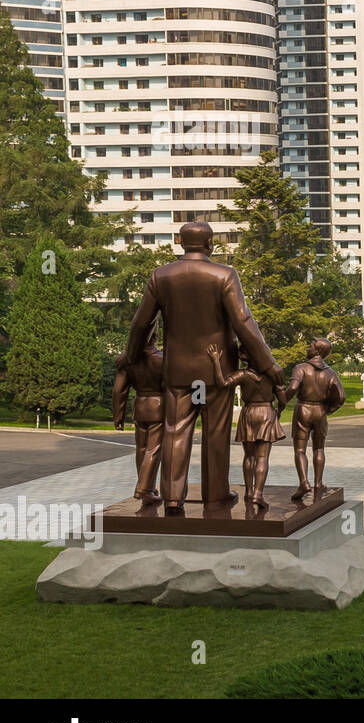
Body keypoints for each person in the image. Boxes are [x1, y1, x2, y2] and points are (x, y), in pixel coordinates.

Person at [124, 220, 281, 514]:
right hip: (216, 371)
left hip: (179, 371)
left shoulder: (161, 276)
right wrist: (267, 363)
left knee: (175, 431)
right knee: (215, 433)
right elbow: (243, 323)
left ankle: (172, 497)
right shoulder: (224, 275)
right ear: (210, 244)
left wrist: (131, 356)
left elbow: (141, 324)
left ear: (180, 243)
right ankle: (215, 494)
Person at [207, 342, 288, 509]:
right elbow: (283, 400)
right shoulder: (272, 374)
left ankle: (249, 492)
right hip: (266, 412)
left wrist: (215, 361)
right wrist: (278, 412)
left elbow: (222, 384)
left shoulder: (242, 375)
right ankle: (259, 493)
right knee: (262, 457)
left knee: (249, 456)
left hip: (248, 413)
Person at [285, 338, 346, 500]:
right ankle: (318, 483)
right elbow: (341, 396)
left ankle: (304, 483)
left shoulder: (301, 368)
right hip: (320, 411)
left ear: (318, 351)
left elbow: (292, 388)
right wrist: (330, 409)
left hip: (303, 409)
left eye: (310, 346)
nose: (307, 348)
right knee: (319, 449)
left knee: (300, 450)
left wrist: (281, 403)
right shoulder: (331, 373)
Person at [112, 321, 164, 506]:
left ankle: (146, 485)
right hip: (159, 407)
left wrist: (118, 416)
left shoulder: (127, 361)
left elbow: (119, 390)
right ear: (155, 337)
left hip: (140, 406)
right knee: (154, 449)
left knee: (141, 449)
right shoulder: (163, 359)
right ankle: (144, 489)